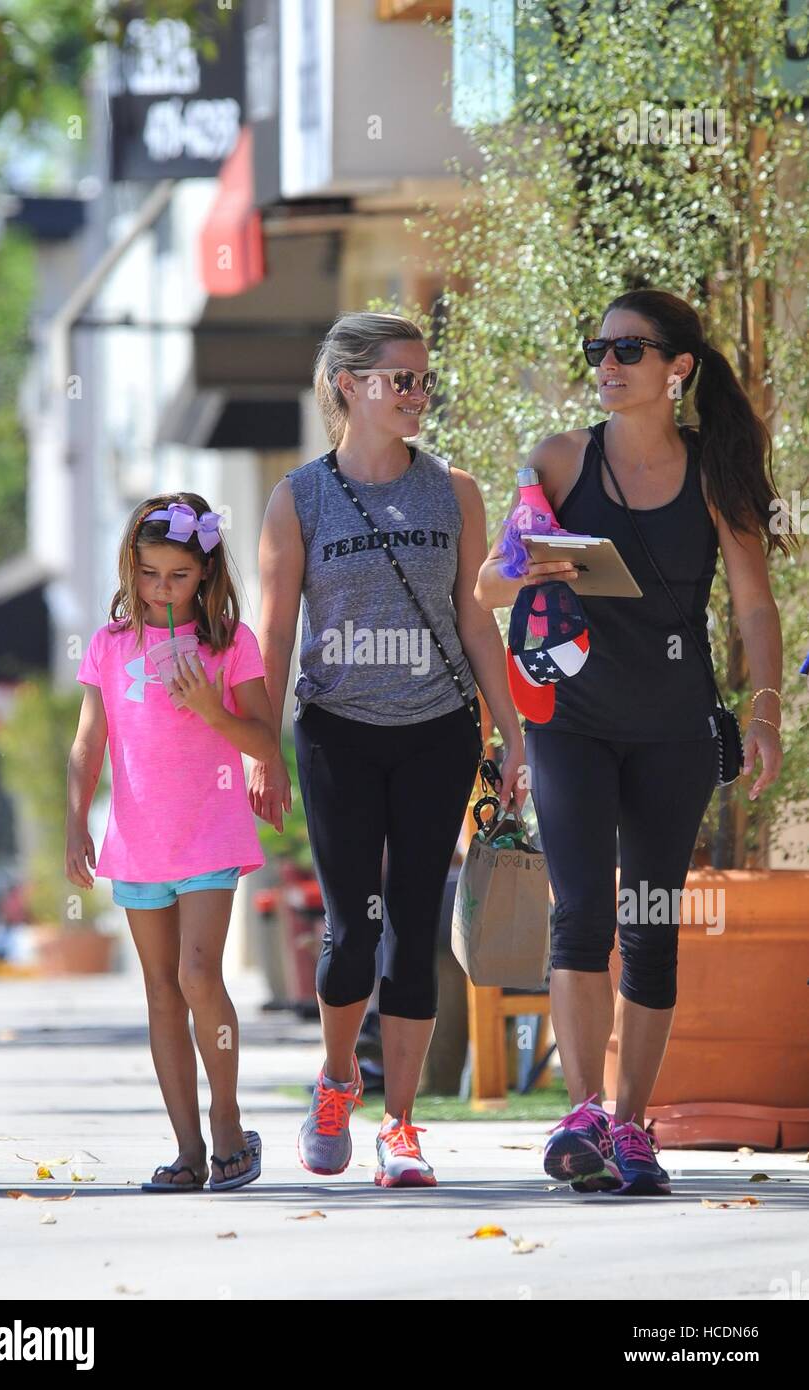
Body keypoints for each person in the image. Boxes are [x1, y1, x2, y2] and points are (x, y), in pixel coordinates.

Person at [475, 288, 788, 1196]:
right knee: (581, 914)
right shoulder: (559, 461)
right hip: (570, 722)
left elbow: (756, 607)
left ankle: (633, 1127)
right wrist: (530, 566)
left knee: (651, 929)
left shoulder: (717, 471)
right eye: (598, 349)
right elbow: (489, 590)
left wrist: (763, 715)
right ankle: (582, 1116)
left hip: (674, 730)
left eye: (629, 350)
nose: (607, 365)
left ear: (677, 369)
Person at [249, 311, 526, 1187]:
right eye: (399, 378)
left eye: (421, 377)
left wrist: (510, 729)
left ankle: (399, 1127)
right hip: (336, 730)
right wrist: (261, 748)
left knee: (415, 932)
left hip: (440, 729)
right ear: (349, 386)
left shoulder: (456, 490)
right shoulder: (299, 497)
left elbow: (475, 618)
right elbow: (275, 632)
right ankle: (338, 1080)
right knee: (349, 932)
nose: (417, 392)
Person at [65, 493, 277, 1193]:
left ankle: (226, 1122)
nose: (161, 588)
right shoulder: (109, 644)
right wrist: (76, 821)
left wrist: (210, 710)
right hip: (138, 839)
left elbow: (264, 742)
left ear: (206, 574)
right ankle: (187, 1150)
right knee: (159, 994)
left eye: (178, 575)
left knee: (196, 976)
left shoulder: (231, 644)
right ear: (131, 567)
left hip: (210, 834)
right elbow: (89, 740)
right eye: (150, 572)